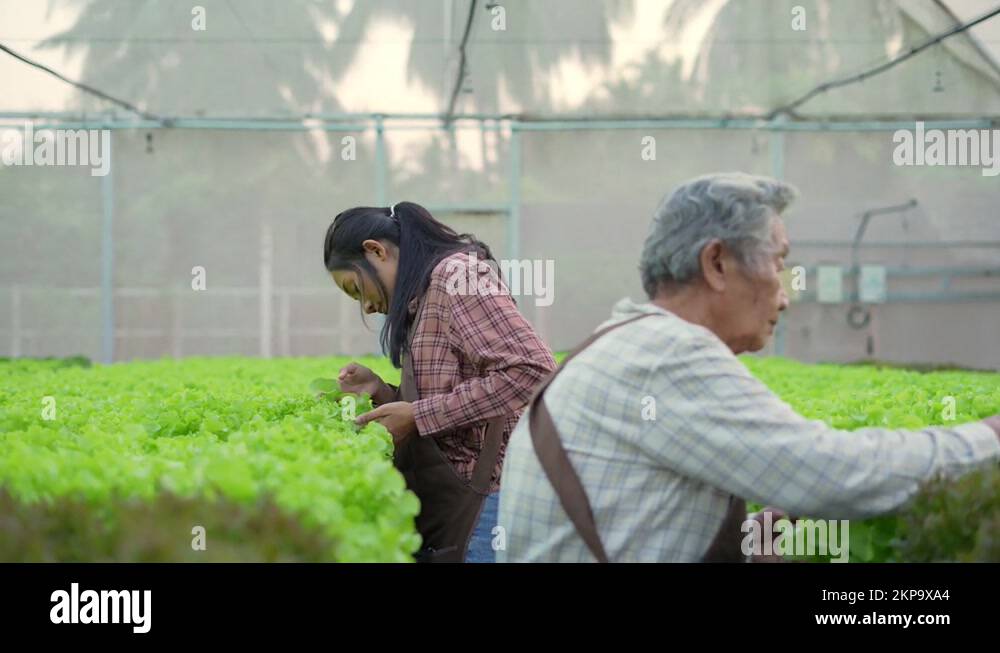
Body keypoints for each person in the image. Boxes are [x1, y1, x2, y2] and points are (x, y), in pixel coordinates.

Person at [497, 172, 1000, 563]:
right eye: (779, 264)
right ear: (716, 264)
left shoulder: (624, 340)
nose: (785, 296)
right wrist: (989, 436)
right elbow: (836, 473)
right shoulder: (670, 354)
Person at [323, 201, 556, 563]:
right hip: (461, 509)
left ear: (376, 251)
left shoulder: (455, 278)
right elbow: (450, 392)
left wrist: (419, 415)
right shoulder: (424, 295)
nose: (366, 306)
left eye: (356, 289)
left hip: (490, 508)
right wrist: (379, 391)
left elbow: (532, 370)